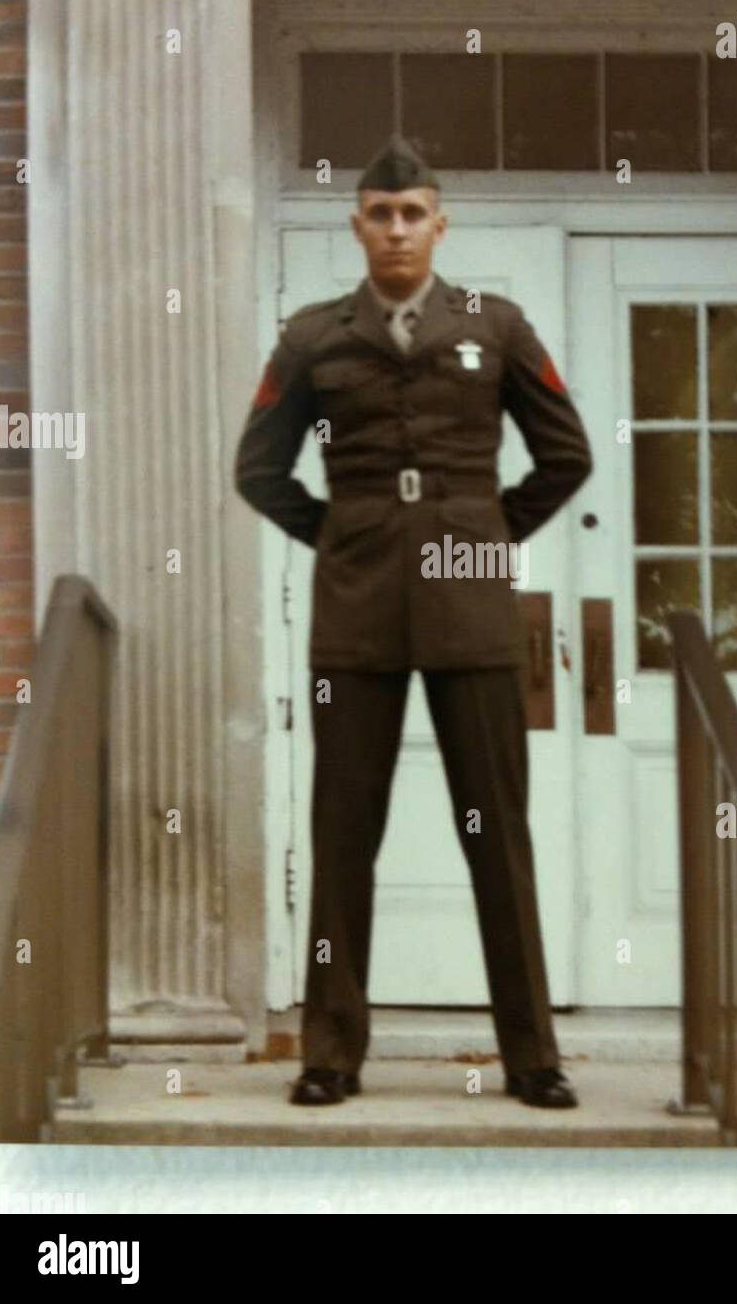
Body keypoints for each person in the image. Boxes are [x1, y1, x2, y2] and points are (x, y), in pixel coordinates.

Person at [234, 135, 593, 1109]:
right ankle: (330, 1053)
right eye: (380, 214)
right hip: (356, 613)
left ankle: (531, 1057)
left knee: (498, 834)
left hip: (470, 608)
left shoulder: (497, 324)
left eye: (414, 212)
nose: (397, 229)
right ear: (358, 226)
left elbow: (567, 455)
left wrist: (483, 531)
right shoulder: (313, 335)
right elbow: (258, 470)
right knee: (344, 830)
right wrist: (343, 532)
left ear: (441, 224)